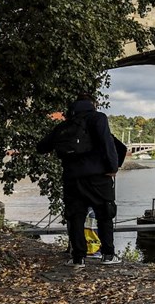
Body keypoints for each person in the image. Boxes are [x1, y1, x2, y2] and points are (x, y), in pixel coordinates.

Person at [37, 94, 121, 268]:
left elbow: (41, 147)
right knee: (104, 214)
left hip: (72, 178)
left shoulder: (64, 125)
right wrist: (113, 168)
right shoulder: (98, 118)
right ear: (93, 104)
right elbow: (107, 143)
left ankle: (78, 259)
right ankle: (108, 255)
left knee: (76, 217)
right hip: (98, 177)